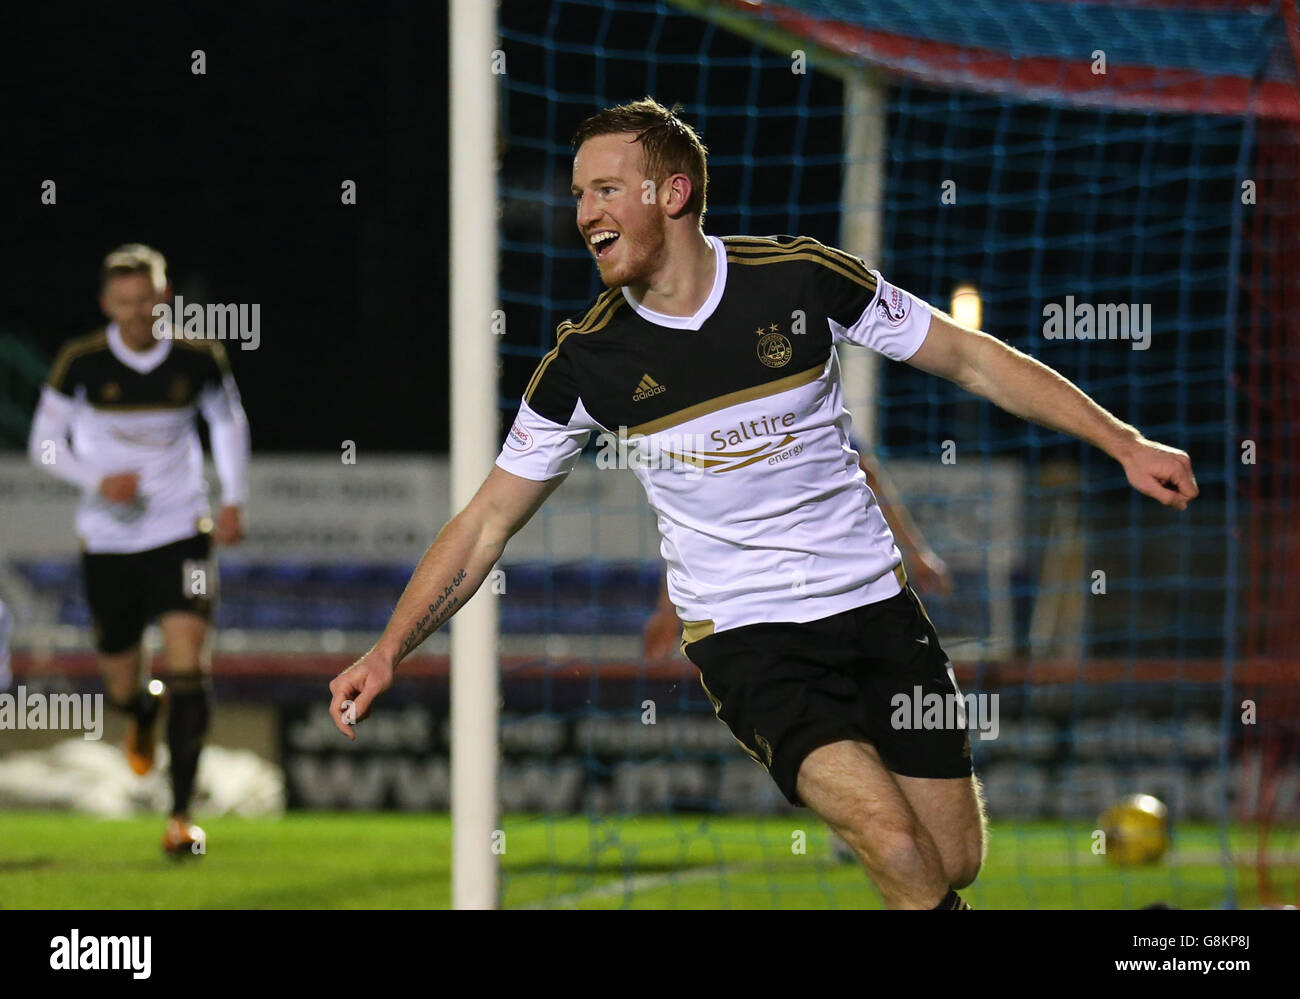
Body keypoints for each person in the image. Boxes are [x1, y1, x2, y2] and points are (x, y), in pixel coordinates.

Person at [328, 98, 1197, 909]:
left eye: (604, 189)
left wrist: (1123, 441)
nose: (585, 212)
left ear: (673, 192)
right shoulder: (585, 364)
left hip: (877, 611)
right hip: (750, 640)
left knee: (950, 856)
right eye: (578, 195)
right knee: (895, 847)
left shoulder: (802, 280)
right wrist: (387, 648)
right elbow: (485, 522)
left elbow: (968, 358)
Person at [28, 243, 250, 856]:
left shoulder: (199, 357)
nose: (137, 312)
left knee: (187, 665)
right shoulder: (82, 362)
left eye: (147, 299)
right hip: (107, 540)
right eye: (124, 302)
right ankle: (139, 711)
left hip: (182, 531)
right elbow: (43, 445)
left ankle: (180, 818)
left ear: (165, 296)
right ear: (107, 303)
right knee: (122, 680)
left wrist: (233, 497)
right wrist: (97, 481)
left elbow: (227, 424)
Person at [644, 443, 951, 660]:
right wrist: (917, 553)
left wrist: (669, 609)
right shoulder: (791, 402)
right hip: (826, 591)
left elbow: (690, 521)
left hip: (779, 600)